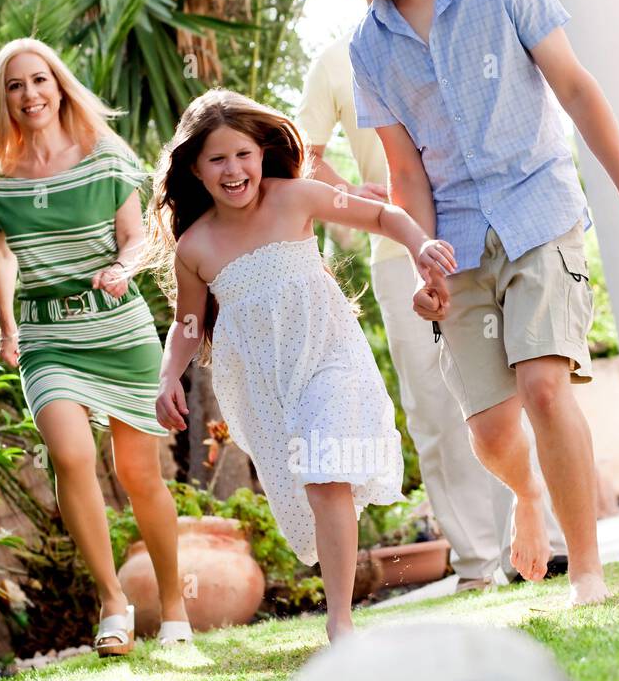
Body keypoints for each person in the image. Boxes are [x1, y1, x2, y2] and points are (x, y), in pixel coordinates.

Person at [312, 0, 619, 606]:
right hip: (456, 234)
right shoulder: (368, 49)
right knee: (491, 433)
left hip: (540, 209)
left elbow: (575, 86)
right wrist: (425, 266)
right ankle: (528, 497)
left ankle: (591, 575)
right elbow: (406, 172)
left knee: (544, 389)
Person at [148, 89, 452, 640]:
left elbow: (383, 216)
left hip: (329, 355)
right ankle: (341, 602)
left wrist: (420, 248)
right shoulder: (194, 247)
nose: (234, 169)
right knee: (316, 486)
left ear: (262, 152)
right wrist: (170, 373)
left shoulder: (296, 197)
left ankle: (340, 622)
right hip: (265, 382)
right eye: (217, 159)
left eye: (243, 153)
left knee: (326, 469)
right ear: (195, 168)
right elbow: (188, 324)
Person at [295, 0, 568, 589]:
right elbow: (302, 155)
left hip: (490, 237)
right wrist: (350, 192)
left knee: (513, 398)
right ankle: (475, 563)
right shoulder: (340, 60)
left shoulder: (458, 38)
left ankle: (538, 547)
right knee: (437, 411)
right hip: (400, 258)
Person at [0, 38, 192, 656]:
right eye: (15, 86)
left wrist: (124, 267)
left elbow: (136, 239)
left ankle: (174, 604)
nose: (29, 95)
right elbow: (1, 253)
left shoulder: (104, 159)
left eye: (39, 80)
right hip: (48, 335)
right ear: (4, 99)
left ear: (59, 85)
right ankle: (113, 603)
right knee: (69, 454)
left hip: (118, 330)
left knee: (140, 475)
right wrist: (7, 329)